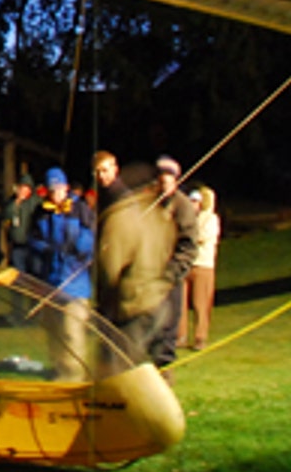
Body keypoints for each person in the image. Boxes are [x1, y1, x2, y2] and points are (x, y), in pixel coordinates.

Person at [93, 161, 195, 371]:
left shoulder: (177, 207)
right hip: (152, 295)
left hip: (145, 298)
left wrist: (171, 273)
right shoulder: (150, 211)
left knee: (124, 360)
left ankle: (150, 400)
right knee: (147, 356)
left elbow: (111, 268)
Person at [34, 166, 96, 379]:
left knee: (72, 332)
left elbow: (90, 236)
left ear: (66, 188)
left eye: (59, 188)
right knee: (54, 332)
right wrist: (47, 250)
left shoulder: (80, 210)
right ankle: (58, 368)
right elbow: (33, 239)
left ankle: (75, 373)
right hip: (51, 282)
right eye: (52, 190)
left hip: (75, 283)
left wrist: (81, 247)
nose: (56, 193)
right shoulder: (41, 212)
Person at [148, 156, 200, 370]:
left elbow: (189, 247)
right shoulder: (148, 204)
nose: (164, 185)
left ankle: (165, 375)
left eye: (168, 181)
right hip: (148, 277)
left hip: (169, 279)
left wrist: (171, 272)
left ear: (176, 181)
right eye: (161, 181)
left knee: (167, 329)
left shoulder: (183, 206)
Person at [178, 185, 221, 351]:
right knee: (180, 303)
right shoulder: (189, 218)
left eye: (196, 201)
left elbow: (201, 237)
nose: (193, 204)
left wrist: (187, 236)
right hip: (186, 264)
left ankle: (200, 338)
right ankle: (180, 336)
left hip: (203, 265)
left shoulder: (211, 219)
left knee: (200, 304)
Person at [0, 179, 38, 276]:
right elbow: (6, 217)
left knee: (34, 273)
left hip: (31, 246)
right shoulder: (11, 204)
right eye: (21, 188)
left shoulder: (34, 203)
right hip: (17, 246)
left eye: (26, 189)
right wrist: (17, 203)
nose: (23, 191)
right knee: (18, 274)